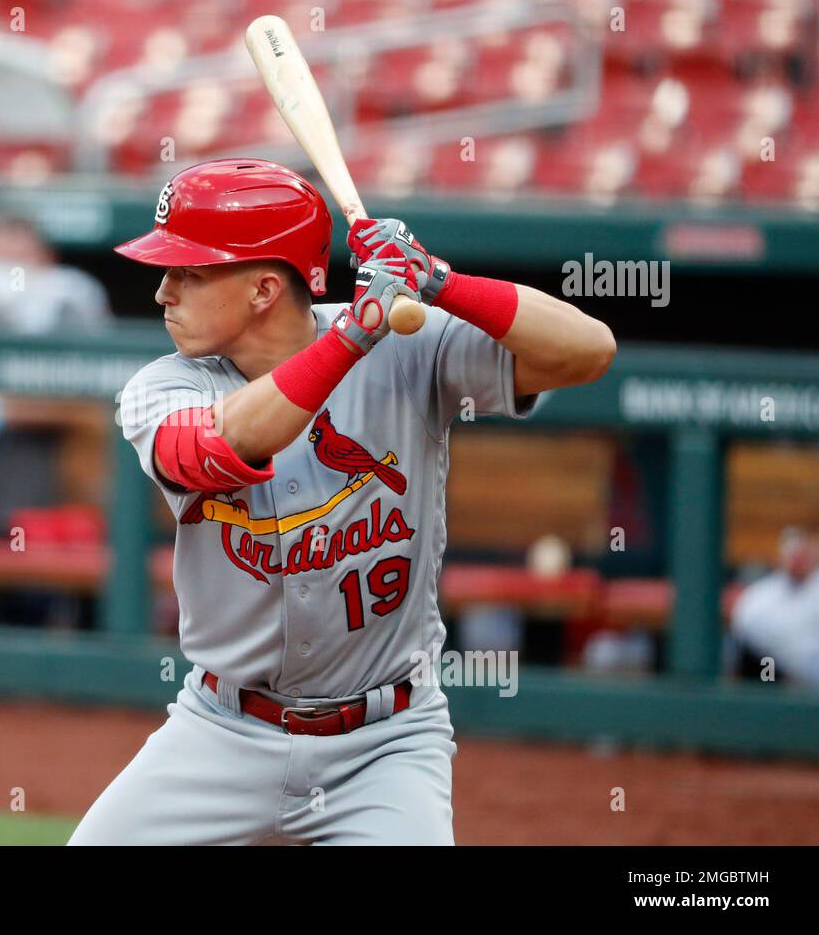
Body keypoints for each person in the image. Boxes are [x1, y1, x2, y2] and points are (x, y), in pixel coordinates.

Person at [69, 158, 615, 845]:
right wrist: (352, 337)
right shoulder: (163, 384)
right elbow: (215, 447)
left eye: (190, 272)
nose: (162, 292)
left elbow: (589, 351)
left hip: (385, 745)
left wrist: (441, 281)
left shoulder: (408, 345)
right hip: (222, 733)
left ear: (265, 288)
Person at [730, 525, 819, 688]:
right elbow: (746, 628)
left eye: (803, 553)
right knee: (764, 664)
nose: (798, 560)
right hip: (774, 669)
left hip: (811, 672)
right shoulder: (762, 594)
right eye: (793, 554)